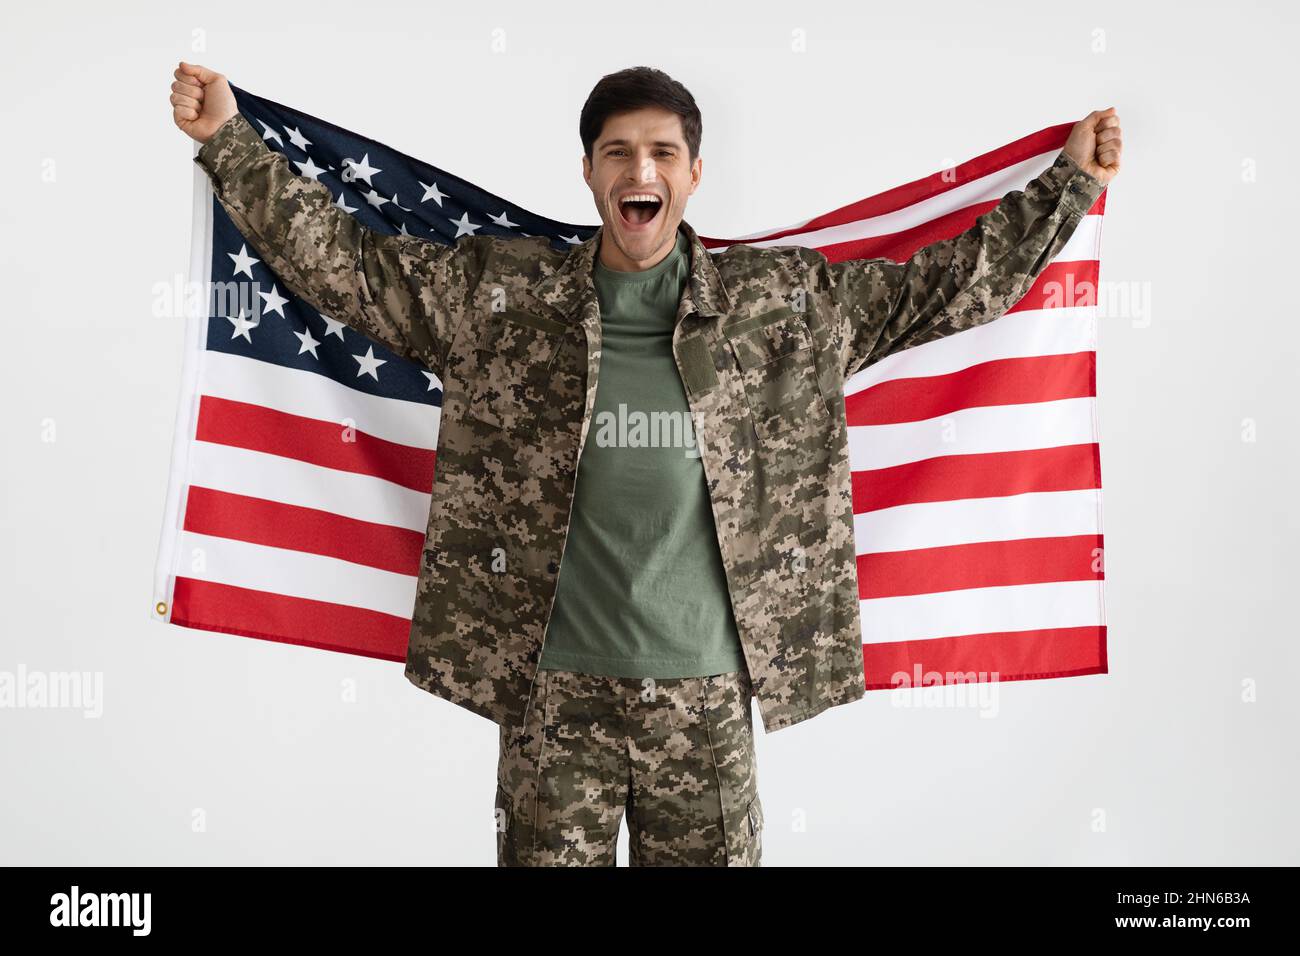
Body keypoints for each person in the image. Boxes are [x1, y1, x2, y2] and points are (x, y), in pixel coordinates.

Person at [170, 60, 1122, 866]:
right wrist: (229, 142)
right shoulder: (501, 294)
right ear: (588, 171)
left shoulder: (779, 304)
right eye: (620, 151)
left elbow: (943, 289)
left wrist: (1067, 183)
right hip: (550, 704)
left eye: (663, 151)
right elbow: (349, 267)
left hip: (704, 701)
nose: (642, 168)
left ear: (694, 174)